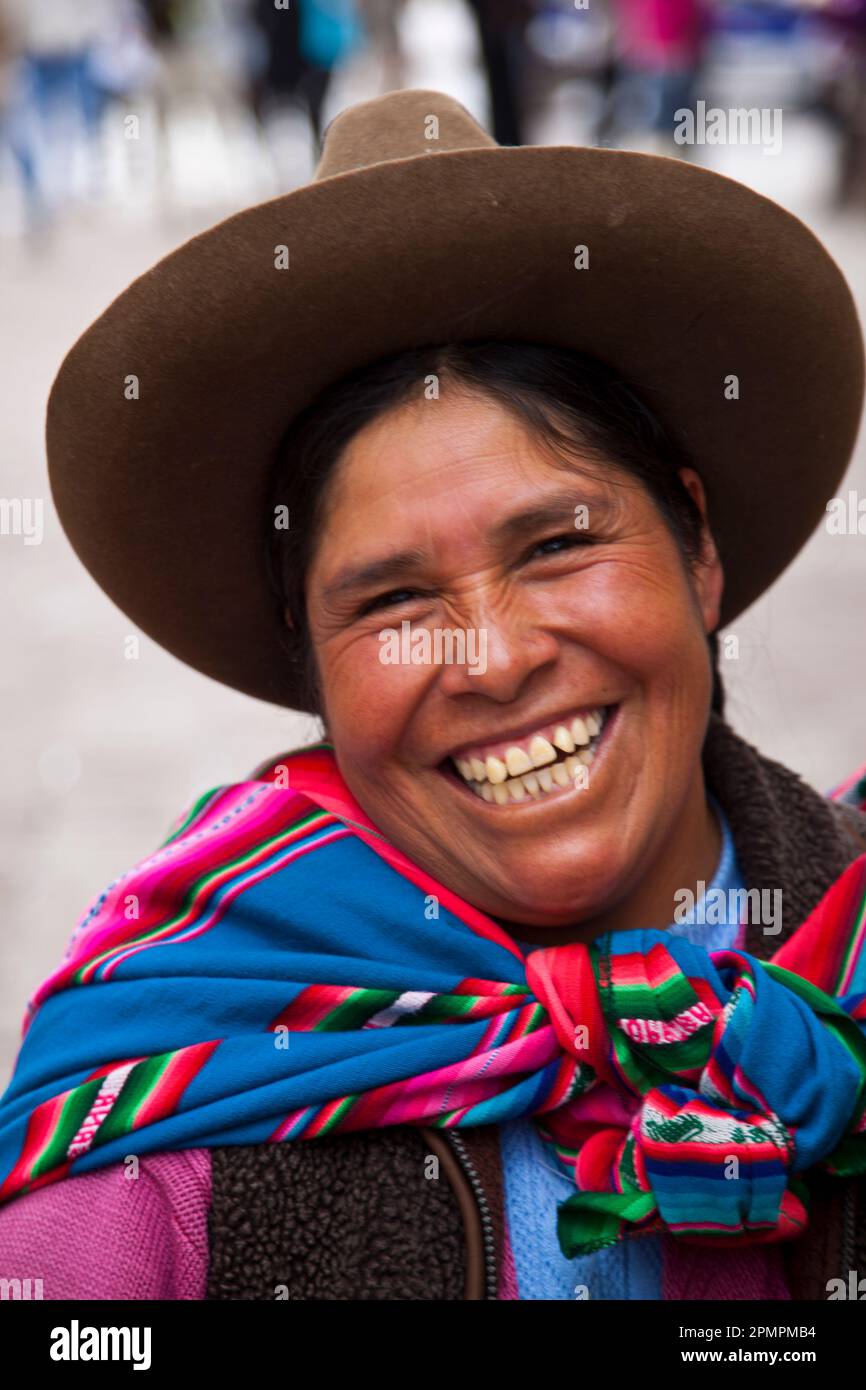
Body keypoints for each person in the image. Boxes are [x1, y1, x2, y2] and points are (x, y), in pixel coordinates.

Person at [0, 86, 865, 1301]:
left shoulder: (852, 959)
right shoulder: (169, 1113)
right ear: (311, 657)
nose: (496, 657)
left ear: (699, 551)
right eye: (393, 600)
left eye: (558, 545)